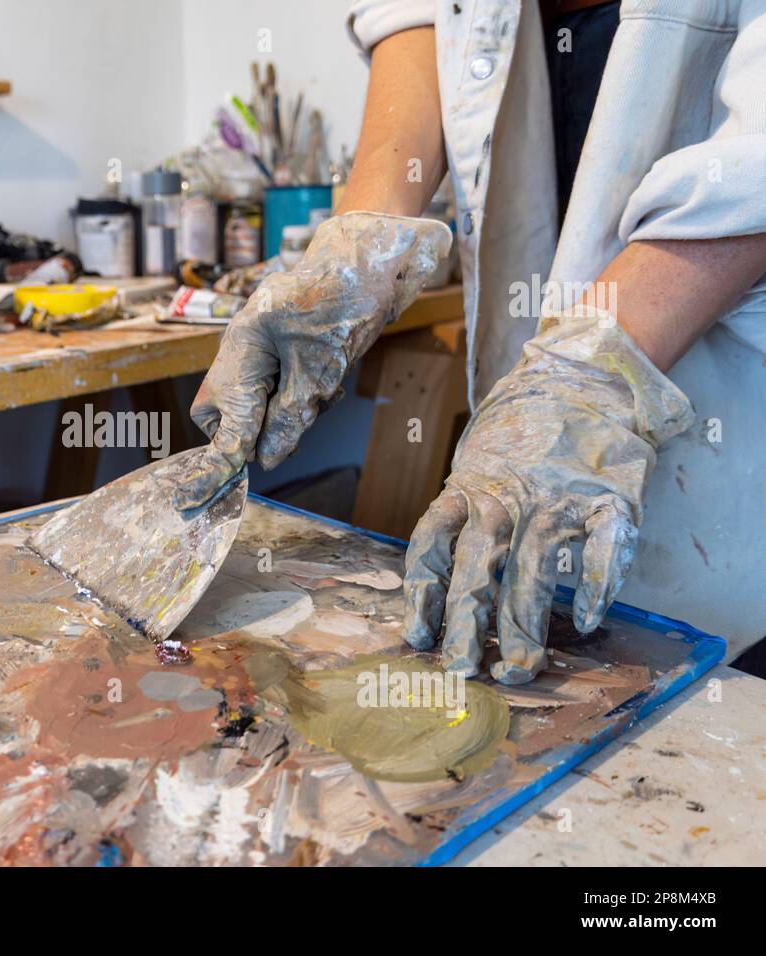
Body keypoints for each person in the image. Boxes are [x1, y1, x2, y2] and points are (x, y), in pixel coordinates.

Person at [176, 0, 766, 684]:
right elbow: (422, 15)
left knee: (713, 684)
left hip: (728, 341)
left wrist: (596, 365)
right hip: (545, 89)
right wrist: (358, 250)